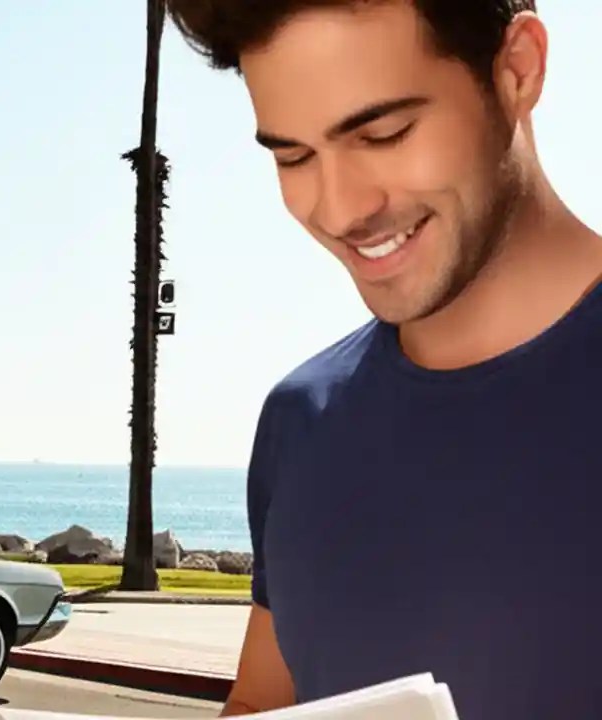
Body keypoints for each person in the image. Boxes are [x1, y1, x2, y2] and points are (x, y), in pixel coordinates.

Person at [160, 1, 602, 718]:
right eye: (292, 155)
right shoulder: (300, 420)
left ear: (517, 68)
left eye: (383, 134)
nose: (338, 208)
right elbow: (261, 703)